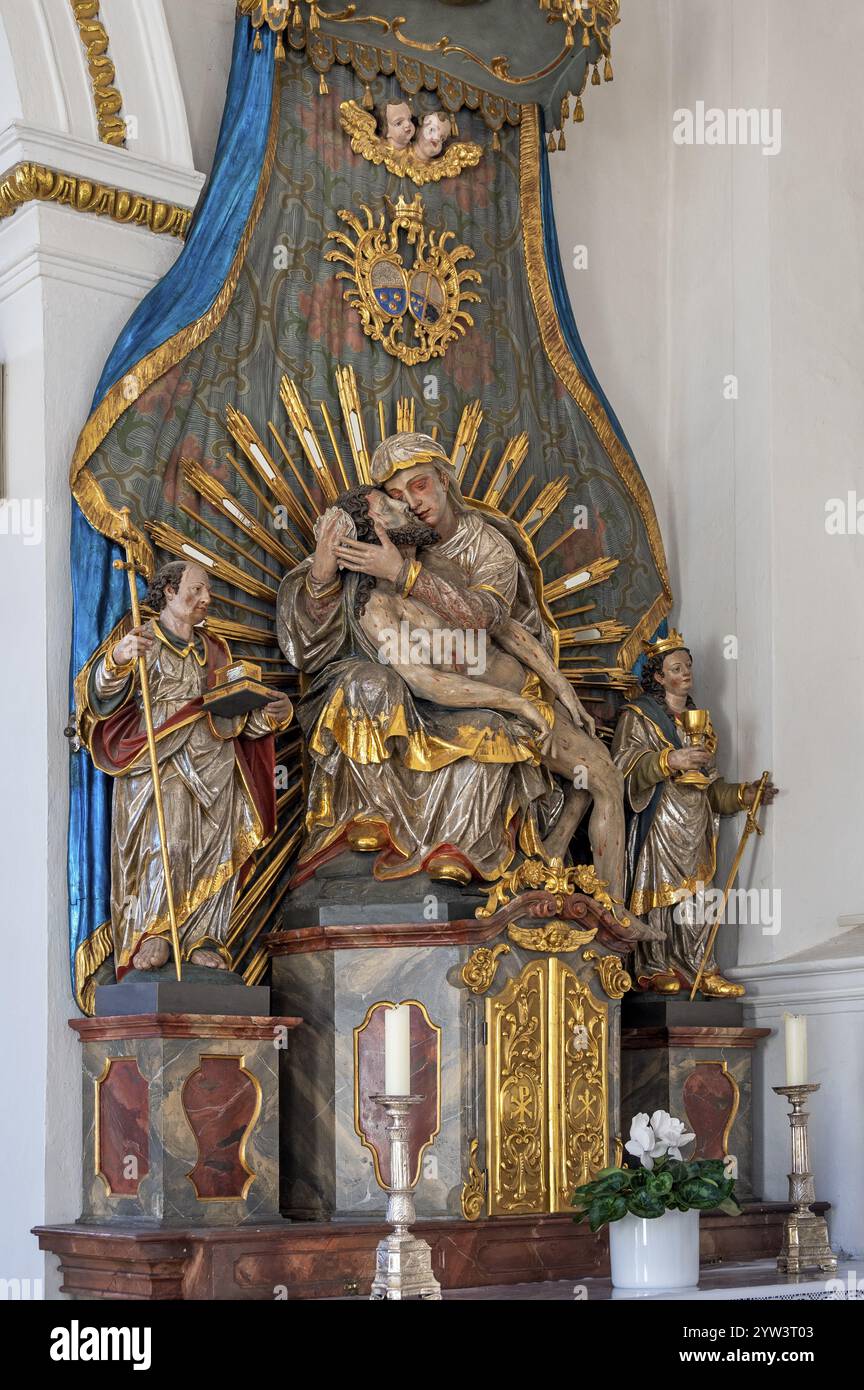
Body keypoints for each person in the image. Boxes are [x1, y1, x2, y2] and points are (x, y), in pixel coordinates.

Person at [277, 433, 626, 897]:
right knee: (379, 689)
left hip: (514, 690)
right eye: (396, 498)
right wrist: (326, 568)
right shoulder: (375, 590)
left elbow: (495, 623)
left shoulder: (475, 550)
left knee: (603, 777)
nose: (411, 504)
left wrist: (561, 690)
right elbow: (422, 677)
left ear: (444, 480)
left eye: (419, 486)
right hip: (463, 699)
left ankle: (612, 918)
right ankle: (395, 834)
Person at [79, 561, 291, 974]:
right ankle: (155, 930)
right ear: (169, 592)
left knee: (217, 849)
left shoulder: (214, 650)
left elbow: (240, 717)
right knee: (168, 841)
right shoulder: (142, 639)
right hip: (161, 756)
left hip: (216, 760)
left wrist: (272, 714)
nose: (206, 599)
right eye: (196, 590)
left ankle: (203, 935)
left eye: (207, 591)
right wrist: (118, 660)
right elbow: (100, 698)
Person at [611, 630, 778, 997]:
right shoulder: (638, 716)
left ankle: (700, 966)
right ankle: (654, 965)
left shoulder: (701, 722)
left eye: (688, 666)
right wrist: (669, 759)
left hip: (696, 821)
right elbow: (620, 770)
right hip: (659, 820)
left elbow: (709, 784)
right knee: (659, 892)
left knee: (700, 893)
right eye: (676, 668)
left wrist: (741, 794)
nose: (685, 673)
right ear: (657, 676)